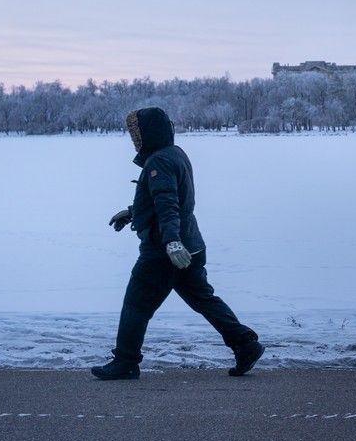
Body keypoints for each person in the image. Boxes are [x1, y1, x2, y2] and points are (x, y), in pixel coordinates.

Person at [91, 107, 263, 380]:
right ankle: (246, 345)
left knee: (136, 305)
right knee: (204, 299)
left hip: (163, 253)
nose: (134, 139)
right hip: (191, 245)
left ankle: (125, 362)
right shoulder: (175, 154)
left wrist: (171, 242)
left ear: (148, 134)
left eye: (136, 133)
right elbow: (168, 199)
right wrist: (133, 212)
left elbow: (168, 205)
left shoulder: (159, 162)